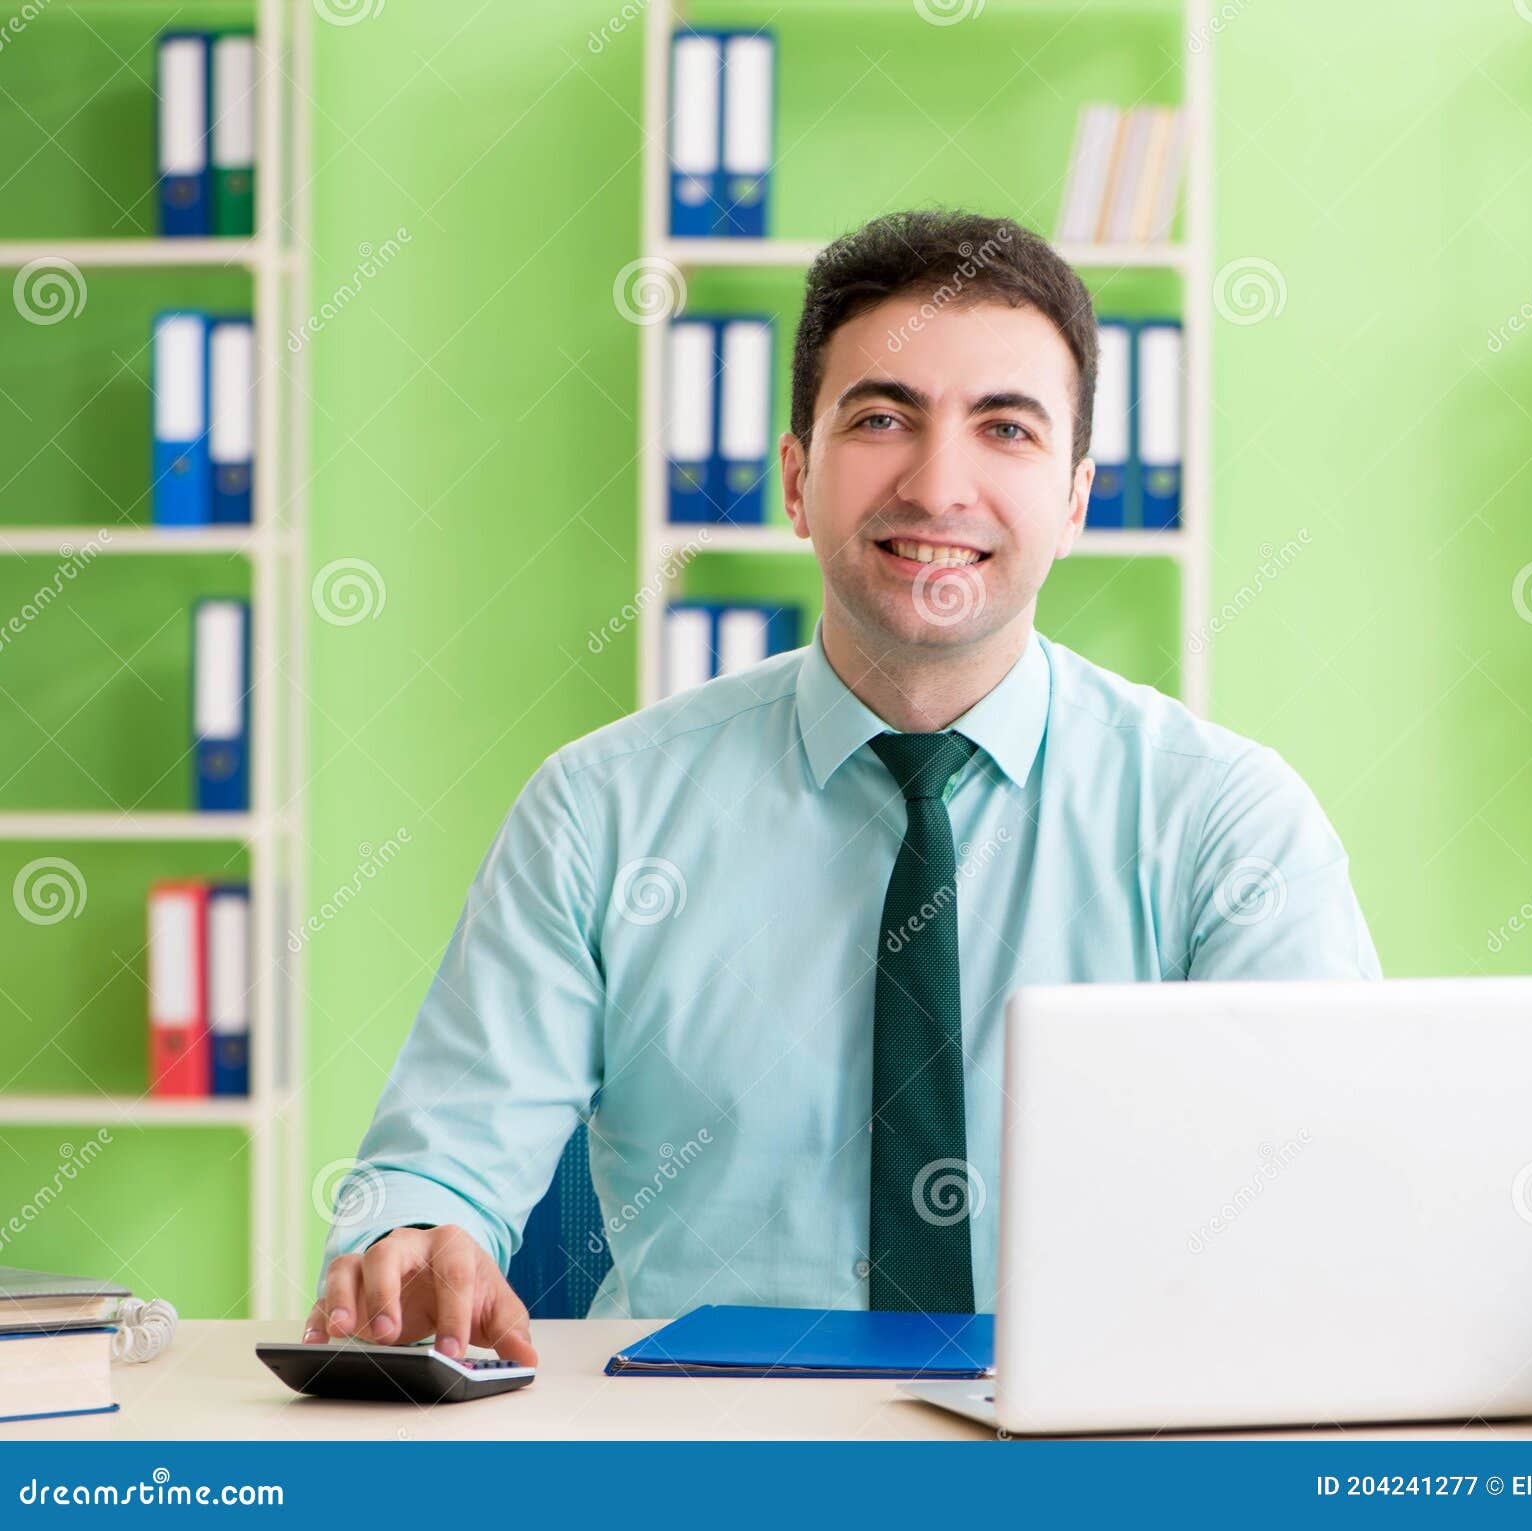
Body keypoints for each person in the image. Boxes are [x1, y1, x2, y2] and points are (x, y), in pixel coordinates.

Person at [304, 208, 1380, 1364]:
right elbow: (441, 1165)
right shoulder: (601, 813)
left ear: (1074, 501)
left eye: (1005, 429)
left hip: (1085, 1463)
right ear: (794, 476)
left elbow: (1340, 1196)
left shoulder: (1224, 823)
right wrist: (419, 1237)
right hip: (703, 1464)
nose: (938, 485)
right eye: (882, 418)